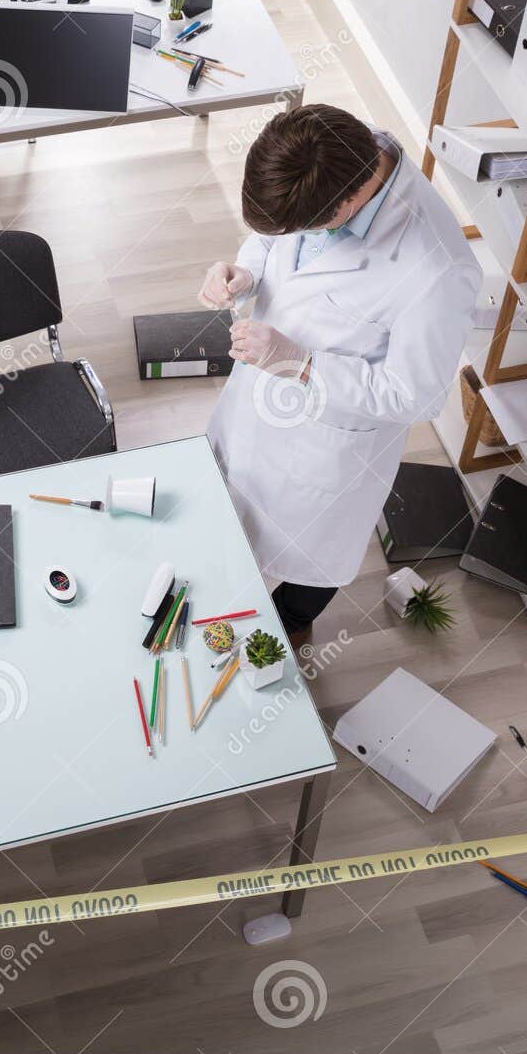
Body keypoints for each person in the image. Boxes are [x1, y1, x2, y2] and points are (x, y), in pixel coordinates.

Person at [200, 103, 479, 651]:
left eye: (301, 224)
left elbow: (415, 395)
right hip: (254, 400)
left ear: (345, 205)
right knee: (227, 519)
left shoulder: (438, 268)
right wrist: (245, 270)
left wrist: (299, 363)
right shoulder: (331, 149)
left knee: (308, 564)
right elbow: (275, 241)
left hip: (324, 442)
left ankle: (293, 622)